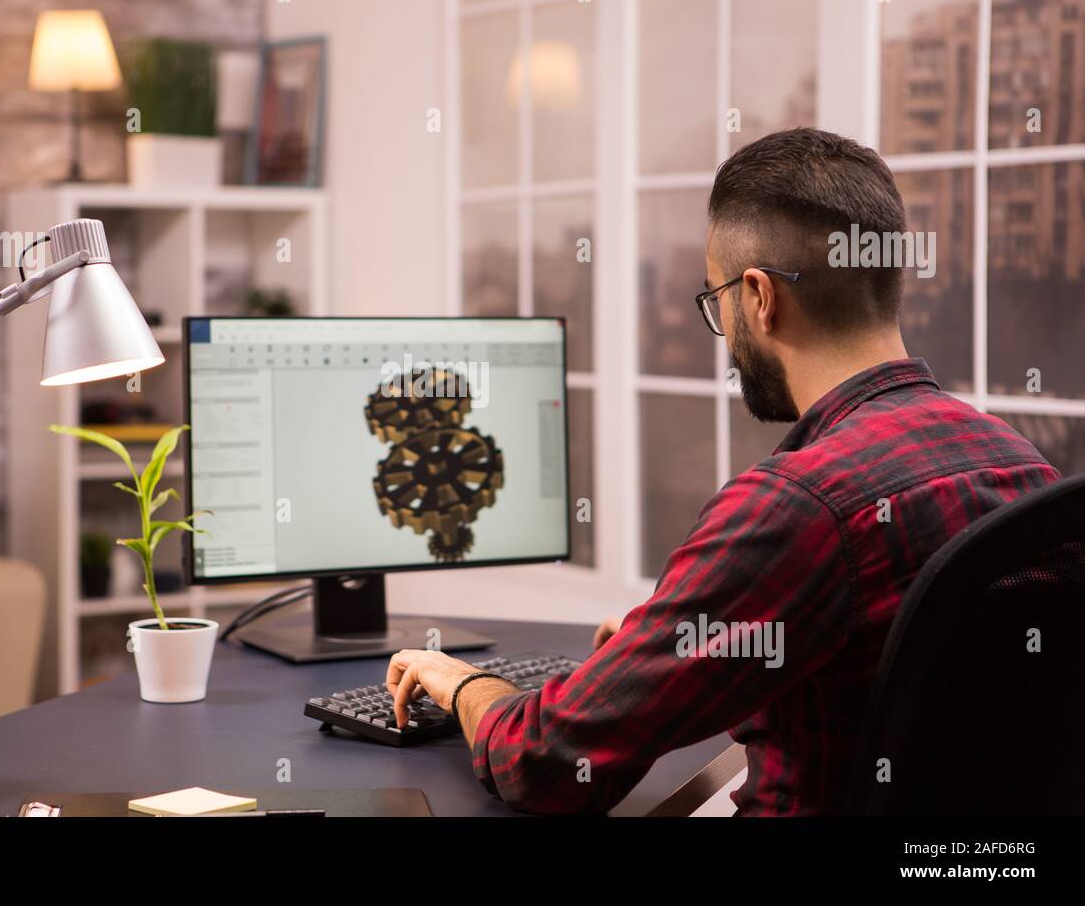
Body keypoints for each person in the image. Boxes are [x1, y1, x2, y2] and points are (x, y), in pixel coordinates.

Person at [384, 128, 1060, 815]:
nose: (726, 335)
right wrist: (676, 651)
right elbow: (887, 679)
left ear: (760, 297)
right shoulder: (1020, 466)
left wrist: (468, 687)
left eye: (717, 301)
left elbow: (550, 762)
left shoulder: (801, 507)